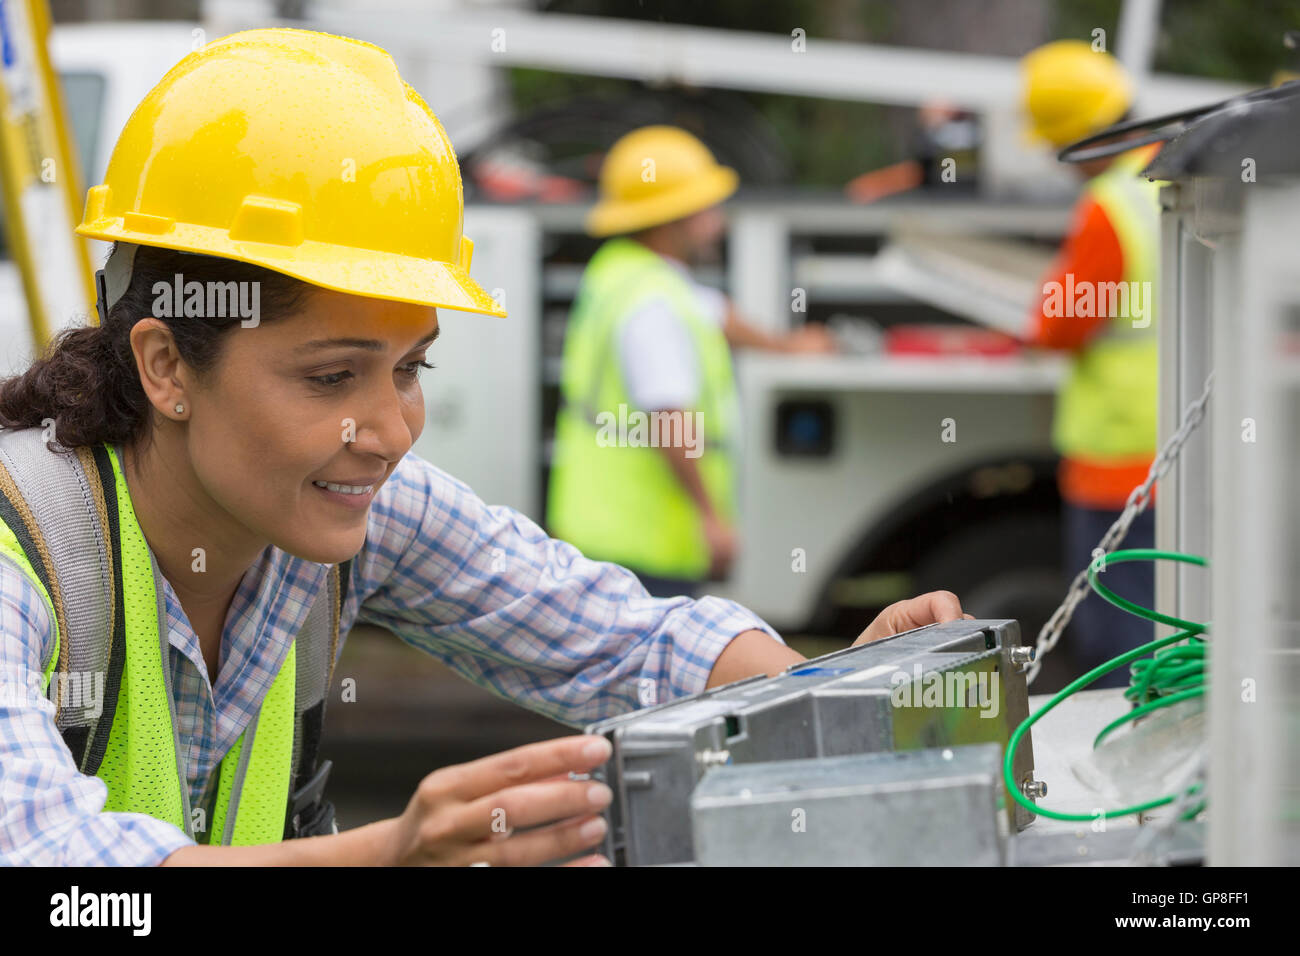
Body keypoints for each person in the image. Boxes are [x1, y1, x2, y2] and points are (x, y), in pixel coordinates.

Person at [0, 29, 967, 866]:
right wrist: (387, 853)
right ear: (166, 365)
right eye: (332, 377)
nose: (388, 434)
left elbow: (615, 640)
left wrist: (823, 689)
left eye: (410, 368)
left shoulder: (349, 507)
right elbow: (53, 865)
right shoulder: (22, 553)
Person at [547, 125, 836, 599]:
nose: (718, 221)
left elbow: (714, 312)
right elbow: (668, 418)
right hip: (642, 545)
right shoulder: (654, 305)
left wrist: (787, 347)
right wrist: (712, 518)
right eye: (706, 209)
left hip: (604, 529)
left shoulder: (625, 272)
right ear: (670, 219)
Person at [1021, 41, 1161, 687]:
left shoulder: (1112, 204)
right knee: (1169, 632)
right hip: (1174, 451)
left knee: (1117, 645)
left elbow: (1059, 324)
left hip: (1118, 465)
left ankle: (1126, 779)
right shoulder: (1171, 179)